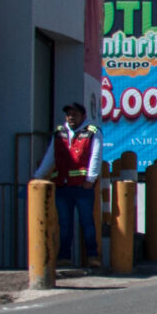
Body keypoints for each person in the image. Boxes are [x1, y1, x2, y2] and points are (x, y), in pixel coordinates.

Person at [33, 103, 104, 267]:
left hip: (82, 186)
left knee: (87, 222)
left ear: (83, 116)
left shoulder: (92, 132)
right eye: (68, 114)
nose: (71, 117)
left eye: (75, 114)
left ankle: (93, 257)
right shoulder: (60, 133)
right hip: (62, 186)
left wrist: (90, 179)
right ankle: (64, 256)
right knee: (64, 223)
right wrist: (37, 176)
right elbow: (50, 156)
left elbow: (96, 156)